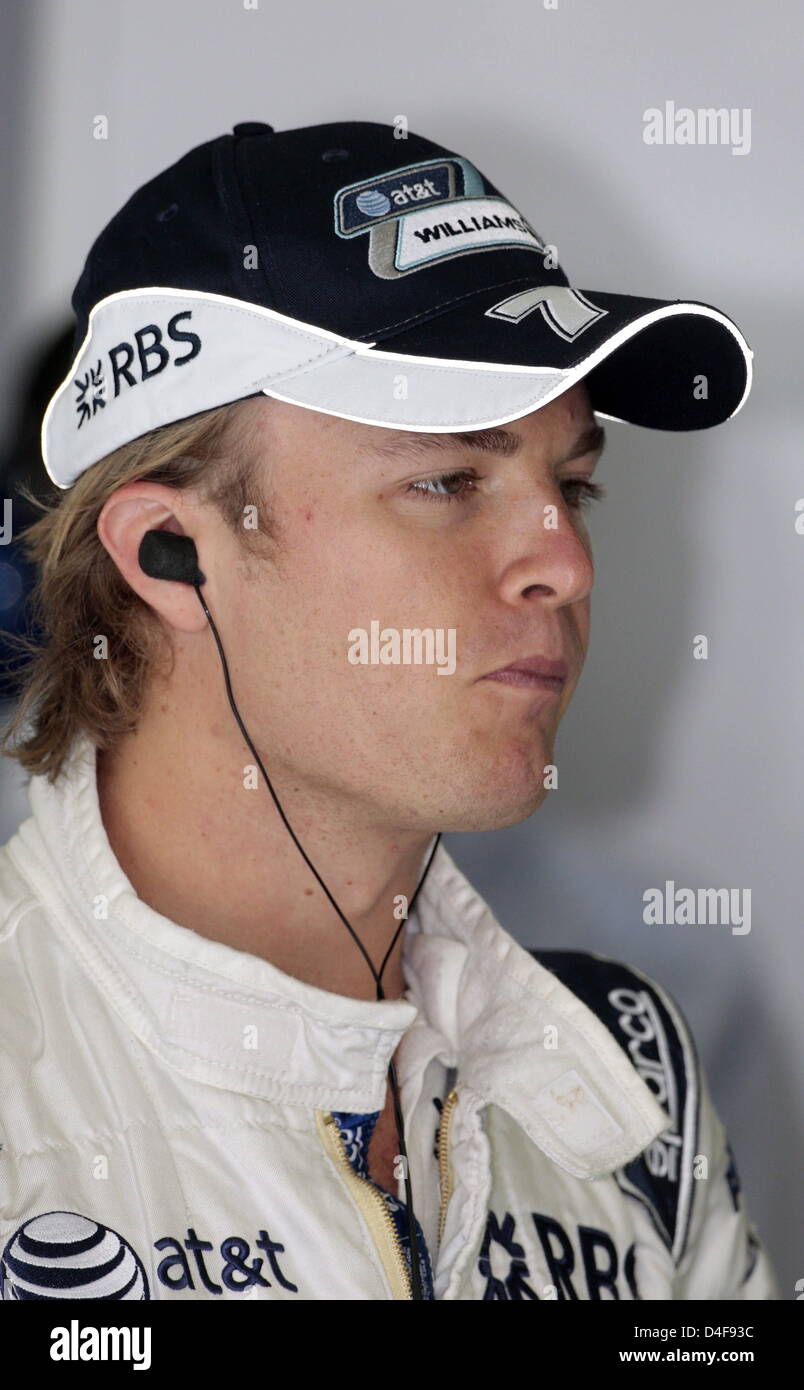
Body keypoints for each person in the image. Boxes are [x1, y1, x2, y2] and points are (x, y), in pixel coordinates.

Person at [0, 119, 778, 1301]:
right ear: (170, 554)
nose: (564, 563)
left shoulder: (632, 1084)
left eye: (572, 484)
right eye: (445, 479)